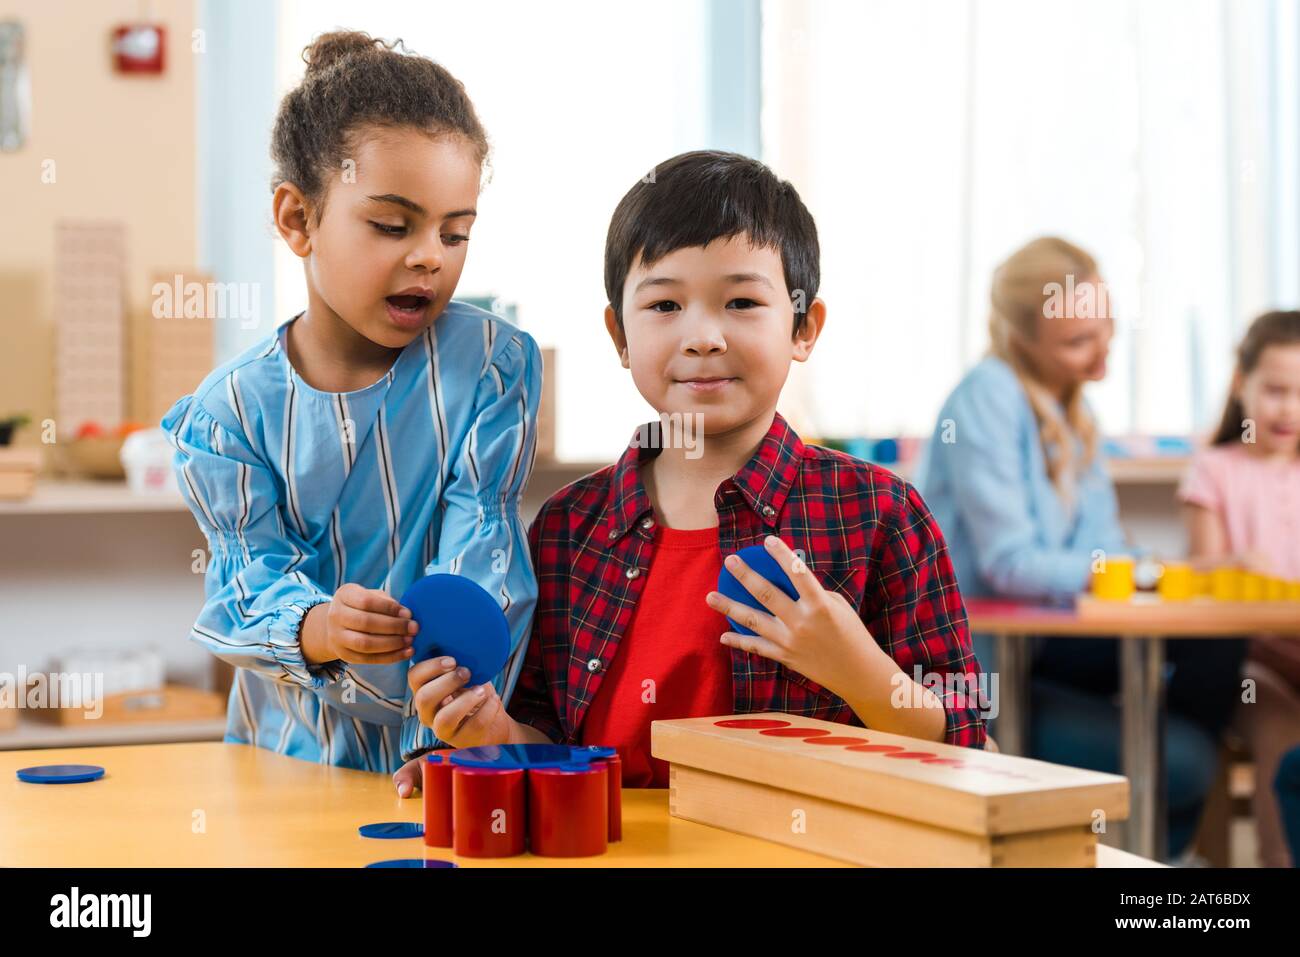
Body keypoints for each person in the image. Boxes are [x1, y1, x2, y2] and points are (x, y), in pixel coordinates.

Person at [392, 149, 985, 795]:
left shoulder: (877, 512)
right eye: (666, 306)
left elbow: (965, 744)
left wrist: (859, 669)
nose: (703, 336)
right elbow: (549, 744)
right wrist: (493, 737)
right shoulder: (567, 528)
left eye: (740, 301)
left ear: (804, 326)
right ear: (620, 335)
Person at [163, 31, 541, 777]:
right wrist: (321, 626)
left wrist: (444, 741)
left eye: (454, 231)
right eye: (393, 225)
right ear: (297, 219)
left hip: (442, 757)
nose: (430, 254)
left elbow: (481, 564)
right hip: (282, 766)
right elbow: (245, 584)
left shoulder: (490, 367)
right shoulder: (227, 414)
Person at [916, 236, 1244, 859]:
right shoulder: (989, 397)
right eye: (1077, 343)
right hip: (988, 671)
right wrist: (1139, 570)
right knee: (1189, 760)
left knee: (1217, 644)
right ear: (1023, 339)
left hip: (1047, 649)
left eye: (1106, 331)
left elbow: (1104, 545)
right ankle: (1152, 849)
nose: (1101, 360)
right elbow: (1010, 564)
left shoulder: (1070, 408)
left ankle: (1153, 850)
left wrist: (1160, 570)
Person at [1180, 310, 1300, 866]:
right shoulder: (1214, 469)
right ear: (1240, 384)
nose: (1288, 409)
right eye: (1275, 390)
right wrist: (1234, 563)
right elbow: (1203, 577)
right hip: (1247, 662)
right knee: (1282, 733)